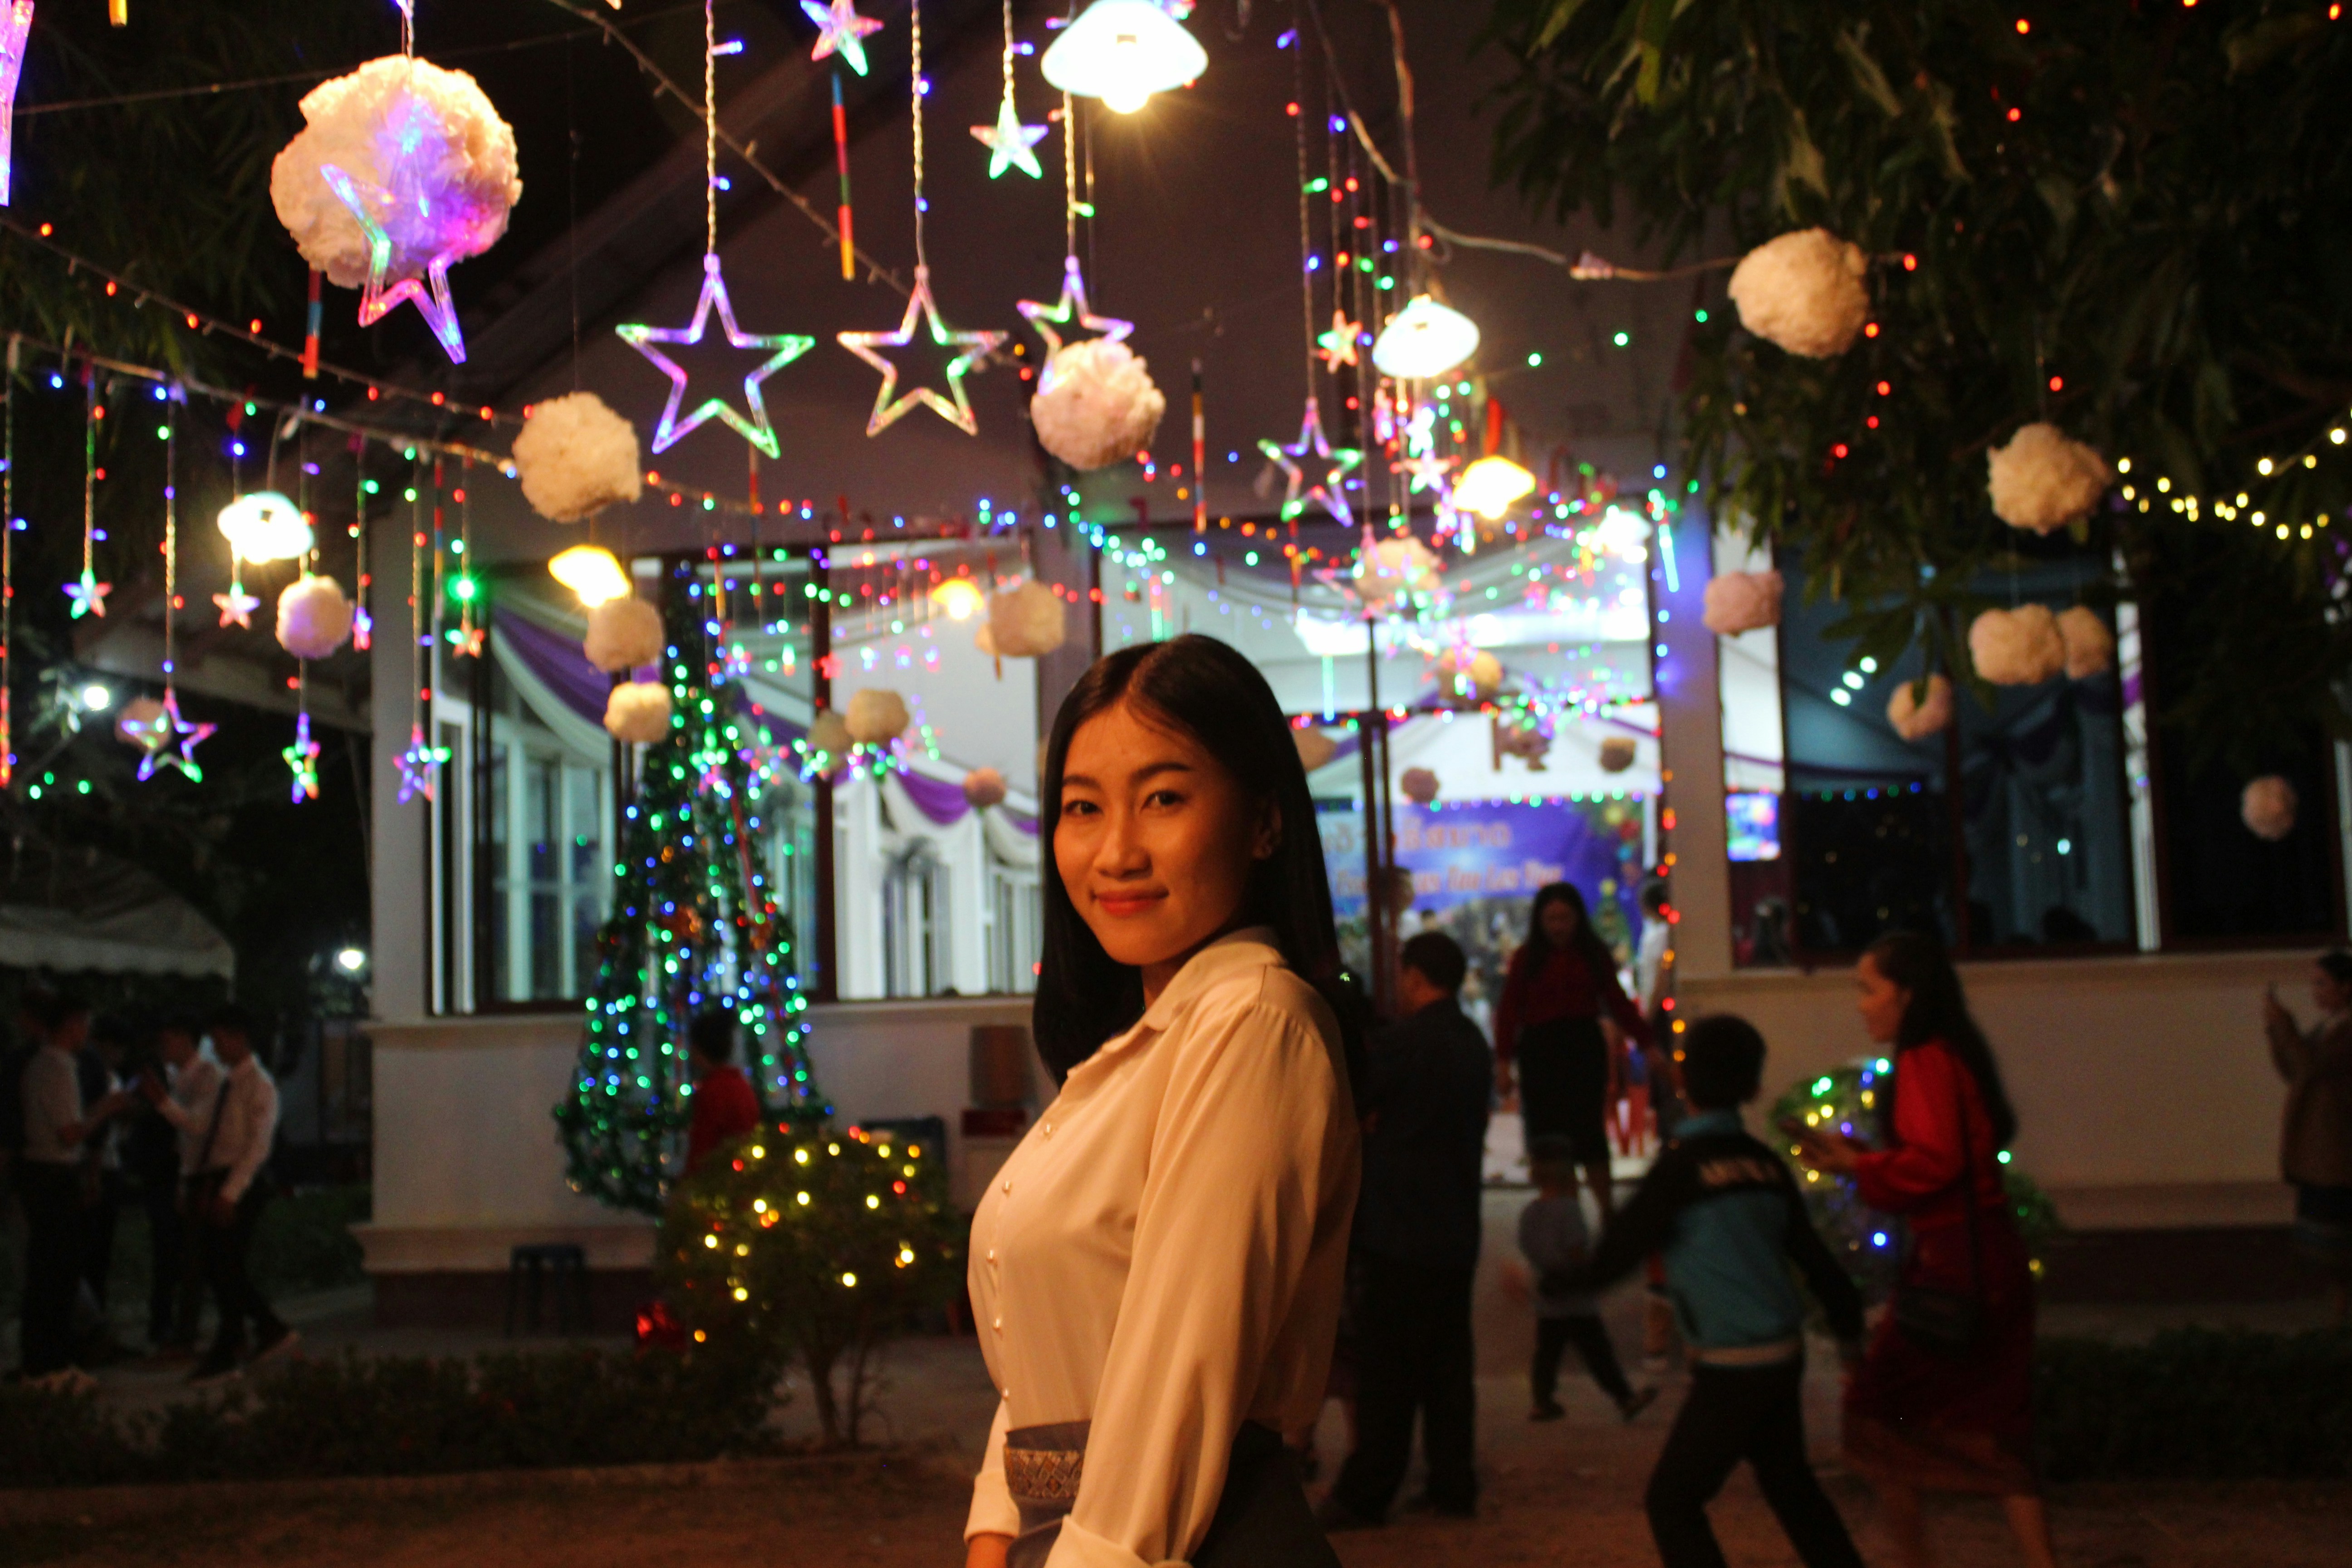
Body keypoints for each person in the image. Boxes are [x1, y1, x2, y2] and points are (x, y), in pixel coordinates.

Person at [963, 635, 1360, 1568]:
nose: (1118, 851)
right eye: (1083, 809)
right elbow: (1044, 1377)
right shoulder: (1129, 1058)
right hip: (1065, 1533)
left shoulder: (1253, 1023)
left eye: (1165, 799)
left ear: (1264, 821)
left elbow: (1174, 1386)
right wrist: (995, 1534)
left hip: (1186, 1542)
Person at [1563, 1014, 1866, 1568]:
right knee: (1791, 1488)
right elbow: (1819, 1265)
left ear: (1683, 1080)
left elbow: (1618, 1253)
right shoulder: (1766, 1165)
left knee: (1673, 1503)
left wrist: (1548, 1284)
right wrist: (1850, 1337)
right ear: (1753, 1086)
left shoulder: (1683, 1169)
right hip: (1780, 1356)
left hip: (1735, 1366)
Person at [1794, 932, 2054, 1568]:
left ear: (1906, 996)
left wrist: (1860, 1169)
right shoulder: (1957, 1054)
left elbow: (1934, 1162)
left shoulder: (1924, 1062)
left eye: (1868, 989)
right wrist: (1861, 1163)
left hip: (1952, 1268)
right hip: (1989, 1258)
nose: (1861, 1005)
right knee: (1998, 1431)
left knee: (1879, 1414)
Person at [1322, 930, 1491, 1528]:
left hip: (1398, 1224)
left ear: (1415, 978)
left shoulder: (1401, 1045)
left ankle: (1369, 1489)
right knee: (1449, 1363)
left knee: (1389, 1369)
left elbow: (1350, 1097)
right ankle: (1453, 1481)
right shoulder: (1473, 1044)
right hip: (1455, 1225)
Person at [1493, 882, 1651, 1221]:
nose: (1558, 927)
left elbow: (1618, 1003)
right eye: (1551, 919)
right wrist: (1503, 1062)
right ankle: (1564, 1214)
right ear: (1540, 920)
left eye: (1565, 918)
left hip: (1583, 1049)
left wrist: (1649, 1043)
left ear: (1579, 918)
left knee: (1589, 1134)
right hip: (1540, 1053)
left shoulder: (1593, 955)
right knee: (1548, 1138)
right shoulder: (1526, 958)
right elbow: (1508, 1011)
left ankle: (1607, 1211)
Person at [15, 990, 130, 1388]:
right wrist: (106, 1109)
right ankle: (53, 1366)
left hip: (40, 1173)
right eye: (85, 1025)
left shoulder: (39, 1063)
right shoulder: (59, 1067)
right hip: (54, 1175)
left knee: (46, 1272)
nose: (88, 1035)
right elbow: (70, 1134)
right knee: (58, 1273)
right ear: (72, 1025)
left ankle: (39, 1363)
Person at [176, 1004, 295, 1384]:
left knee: (223, 1263)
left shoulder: (258, 1085)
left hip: (239, 1182)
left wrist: (231, 1192)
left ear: (238, 1037)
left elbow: (258, 1147)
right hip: (221, 1180)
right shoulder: (229, 1082)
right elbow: (204, 1130)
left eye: (218, 1040)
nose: (215, 1047)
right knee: (220, 1264)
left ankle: (236, 1342)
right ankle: (259, 1330)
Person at [1515, 1132, 1652, 1423]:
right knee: (1598, 1352)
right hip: (1576, 1298)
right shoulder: (1569, 1210)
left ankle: (1542, 1401)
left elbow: (1527, 1247)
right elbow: (1577, 1250)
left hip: (1548, 1296)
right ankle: (1625, 1398)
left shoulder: (1530, 1213)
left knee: (1547, 1353)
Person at [2261, 950, 2352, 1325]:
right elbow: (2294, 1070)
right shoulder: (2329, 1027)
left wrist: (2284, 1027)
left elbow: (2310, 1068)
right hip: (2322, 1152)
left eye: (2322, 983)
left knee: (2339, 1241)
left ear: (2346, 988)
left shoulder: (2346, 1033)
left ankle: (2342, 1313)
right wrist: (2277, 1031)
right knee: (2327, 1245)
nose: (2315, 992)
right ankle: (2340, 1310)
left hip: (2339, 1152)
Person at [135, 1016, 219, 1354]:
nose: (162, 1048)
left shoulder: (205, 1075)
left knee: (188, 1254)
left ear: (187, 1039)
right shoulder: (176, 1075)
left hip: (191, 1175)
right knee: (172, 1252)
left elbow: (195, 1128)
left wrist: (162, 1104)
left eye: (167, 1040)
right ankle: (168, 1326)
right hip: (172, 1176)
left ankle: (179, 1330)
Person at [685, 1009, 761, 1172]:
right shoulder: (741, 1085)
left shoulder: (712, 1091)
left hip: (721, 1180)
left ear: (698, 1049)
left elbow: (703, 1149)